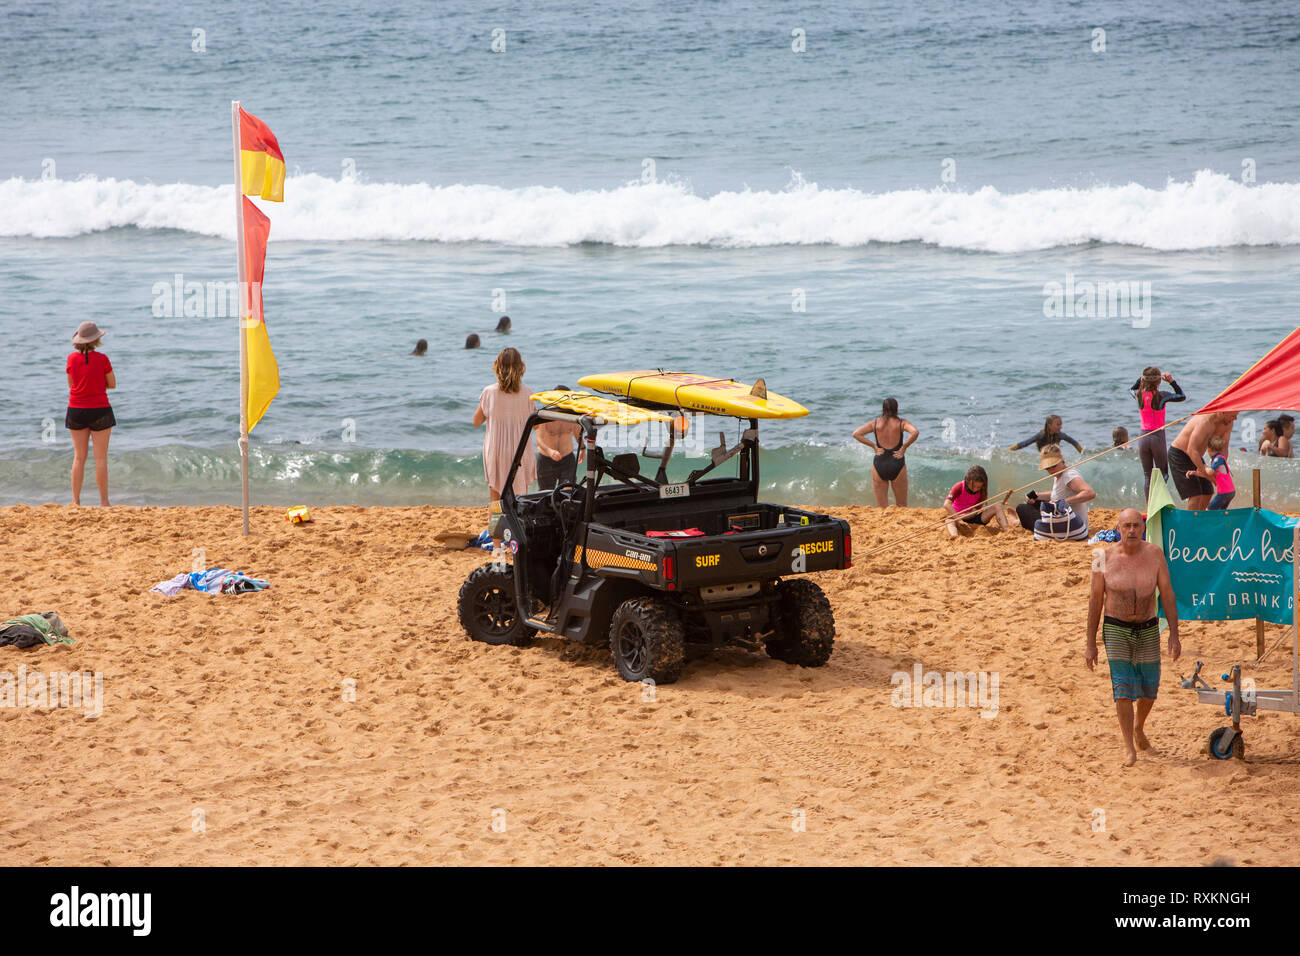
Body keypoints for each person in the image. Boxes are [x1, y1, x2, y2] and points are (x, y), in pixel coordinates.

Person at [1085, 508, 1180, 766]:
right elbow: (1095, 601)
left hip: (1148, 627)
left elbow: (1168, 594)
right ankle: (1129, 747)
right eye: (1126, 526)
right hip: (1115, 627)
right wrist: (1090, 643)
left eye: (1136, 525)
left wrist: (1174, 633)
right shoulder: (1101, 556)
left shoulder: (1155, 554)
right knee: (1123, 689)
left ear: (1143, 528)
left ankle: (1139, 727)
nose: (1132, 530)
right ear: (1118, 529)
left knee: (1150, 688)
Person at [472, 348, 536, 546]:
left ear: (497, 367)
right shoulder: (529, 394)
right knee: (519, 498)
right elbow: (532, 421)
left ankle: (497, 545)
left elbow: (476, 421)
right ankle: (516, 541)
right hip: (520, 449)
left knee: (496, 499)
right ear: (521, 368)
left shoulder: (489, 392)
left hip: (497, 449)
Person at [65, 321, 116, 507]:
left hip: (76, 410)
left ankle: (76, 501)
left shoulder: (71, 359)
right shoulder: (103, 359)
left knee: (79, 457)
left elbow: (72, 385)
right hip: (100, 409)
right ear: (97, 339)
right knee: (101, 459)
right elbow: (112, 384)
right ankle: (104, 502)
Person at [1014, 444, 1095, 540]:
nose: (1051, 470)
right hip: (1064, 519)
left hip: (1071, 525)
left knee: (1021, 508)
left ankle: (1021, 523)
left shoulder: (1069, 475)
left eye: (1053, 465)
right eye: (1048, 468)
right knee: (1034, 503)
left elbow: (1089, 493)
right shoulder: (1060, 474)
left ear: (1061, 460)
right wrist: (1037, 496)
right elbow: (1057, 494)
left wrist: (1064, 502)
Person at [1129, 366, 1186, 499]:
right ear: (1159, 382)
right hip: (1157, 437)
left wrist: (1141, 379)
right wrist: (1172, 381)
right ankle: (1158, 502)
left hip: (1143, 437)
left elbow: (1131, 388)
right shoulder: (1162, 396)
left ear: (1143, 379)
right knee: (1163, 474)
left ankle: (1150, 506)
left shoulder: (1138, 394)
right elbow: (1182, 396)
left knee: (1148, 475)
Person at [852, 398, 919, 508]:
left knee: (882, 507)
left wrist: (874, 446)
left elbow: (856, 434)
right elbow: (915, 432)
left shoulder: (875, 423)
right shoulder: (901, 423)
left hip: (880, 463)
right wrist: (904, 447)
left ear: (883, 408)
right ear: (896, 408)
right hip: (897, 461)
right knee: (902, 505)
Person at [1169, 411, 1236, 509]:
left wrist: (1219, 467)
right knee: (1196, 494)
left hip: (1196, 456)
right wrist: (1204, 472)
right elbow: (1191, 450)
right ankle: (1191, 522)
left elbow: (1224, 448)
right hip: (1180, 453)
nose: (1235, 418)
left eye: (1236, 415)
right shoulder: (1205, 422)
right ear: (1222, 412)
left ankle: (1200, 519)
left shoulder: (1228, 423)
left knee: (1207, 491)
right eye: (1233, 415)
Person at [535, 384, 584, 490]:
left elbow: (577, 432)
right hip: (546, 459)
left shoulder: (571, 414)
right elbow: (539, 439)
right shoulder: (546, 414)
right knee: (546, 495)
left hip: (567, 458)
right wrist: (549, 451)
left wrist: (582, 448)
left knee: (567, 493)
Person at [941, 465, 1009, 537]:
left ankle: (1007, 529)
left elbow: (975, 511)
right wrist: (958, 519)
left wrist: (964, 517)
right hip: (956, 516)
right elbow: (946, 504)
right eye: (973, 486)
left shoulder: (982, 491)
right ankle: (955, 537)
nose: (975, 489)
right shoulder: (959, 486)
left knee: (997, 506)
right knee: (949, 521)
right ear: (967, 481)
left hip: (971, 517)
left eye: (978, 487)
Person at [1194, 435, 1235, 510]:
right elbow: (1214, 474)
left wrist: (1204, 466)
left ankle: (1208, 521)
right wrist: (1195, 473)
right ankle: (1223, 521)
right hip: (1230, 491)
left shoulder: (1218, 459)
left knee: (1209, 509)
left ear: (1208, 449)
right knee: (1221, 511)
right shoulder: (1220, 458)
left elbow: (1210, 472)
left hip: (1224, 492)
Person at [1008, 415, 1082, 454]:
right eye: (1058, 424)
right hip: (1044, 454)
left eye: (1061, 424)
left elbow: (1074, 443)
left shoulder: (1060, 435)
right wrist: (1007, 451)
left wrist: (1083, 455)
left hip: (1054, 453)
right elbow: (1024, 443)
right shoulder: (1041, 435)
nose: (1060, 427)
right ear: (1049, 425)